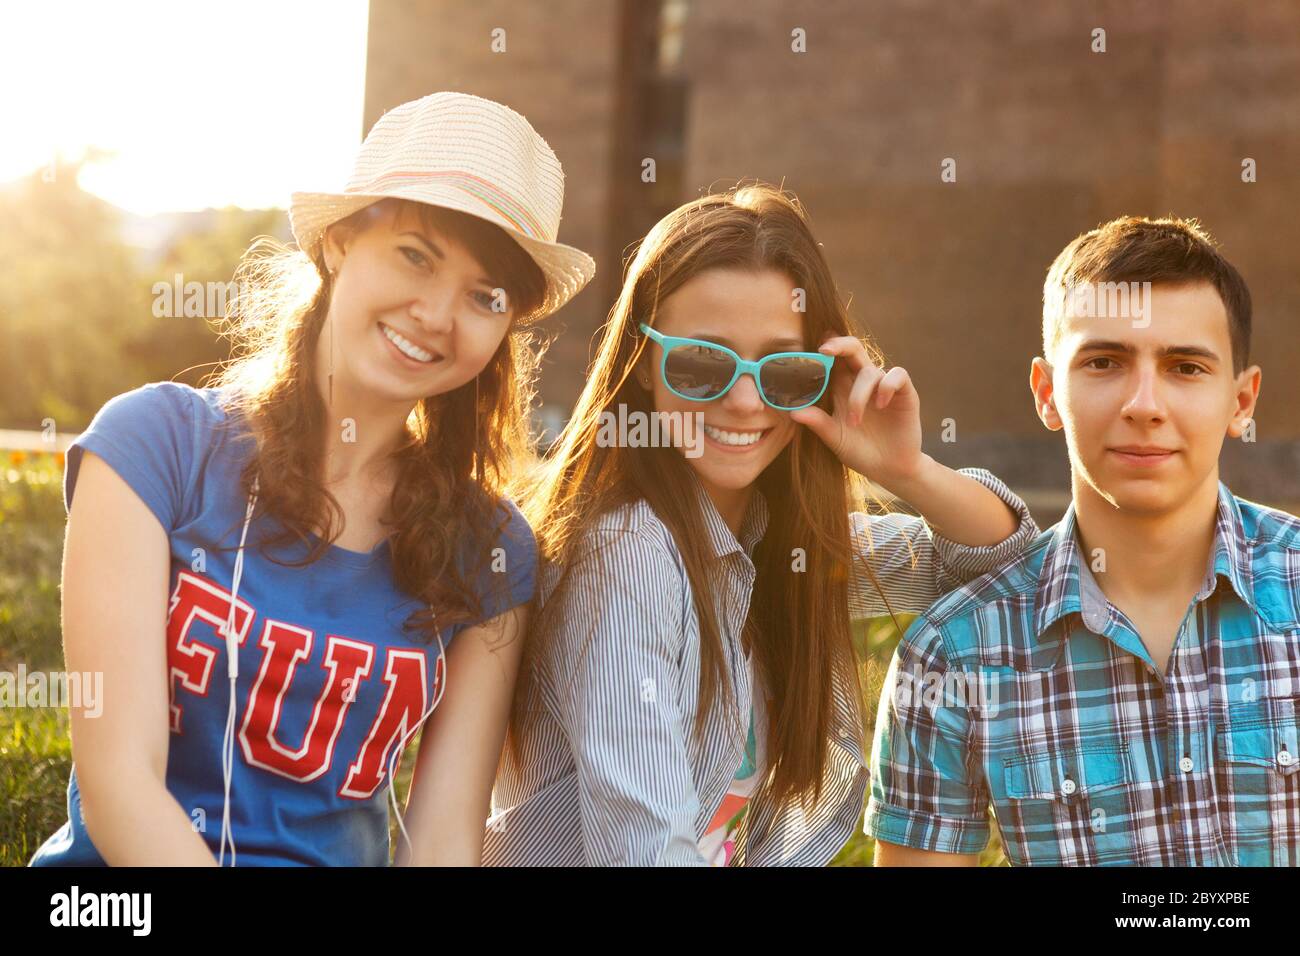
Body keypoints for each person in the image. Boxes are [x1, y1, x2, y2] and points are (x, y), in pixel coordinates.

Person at [29, 91, 595, 866]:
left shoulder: (492, 551)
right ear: (337, 244)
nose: (436, 313)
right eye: (415, 255)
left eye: (484, 296)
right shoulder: (155, 446)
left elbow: (440, 843)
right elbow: (121, 786)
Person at [483, 183, 1039, 866]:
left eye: (785, 371)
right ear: (642, 368)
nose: (745, 402)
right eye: (701, 363)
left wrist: (906, 470)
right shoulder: (625, 554)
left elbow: (998, 566)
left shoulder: (776, 542)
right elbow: (646, 851)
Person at [867, 215, 1298, 866]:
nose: (1144, 404)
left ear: (1242, 401)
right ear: (1046, 392)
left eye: (1185, 367)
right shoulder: (951, 657)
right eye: (1105, 362)